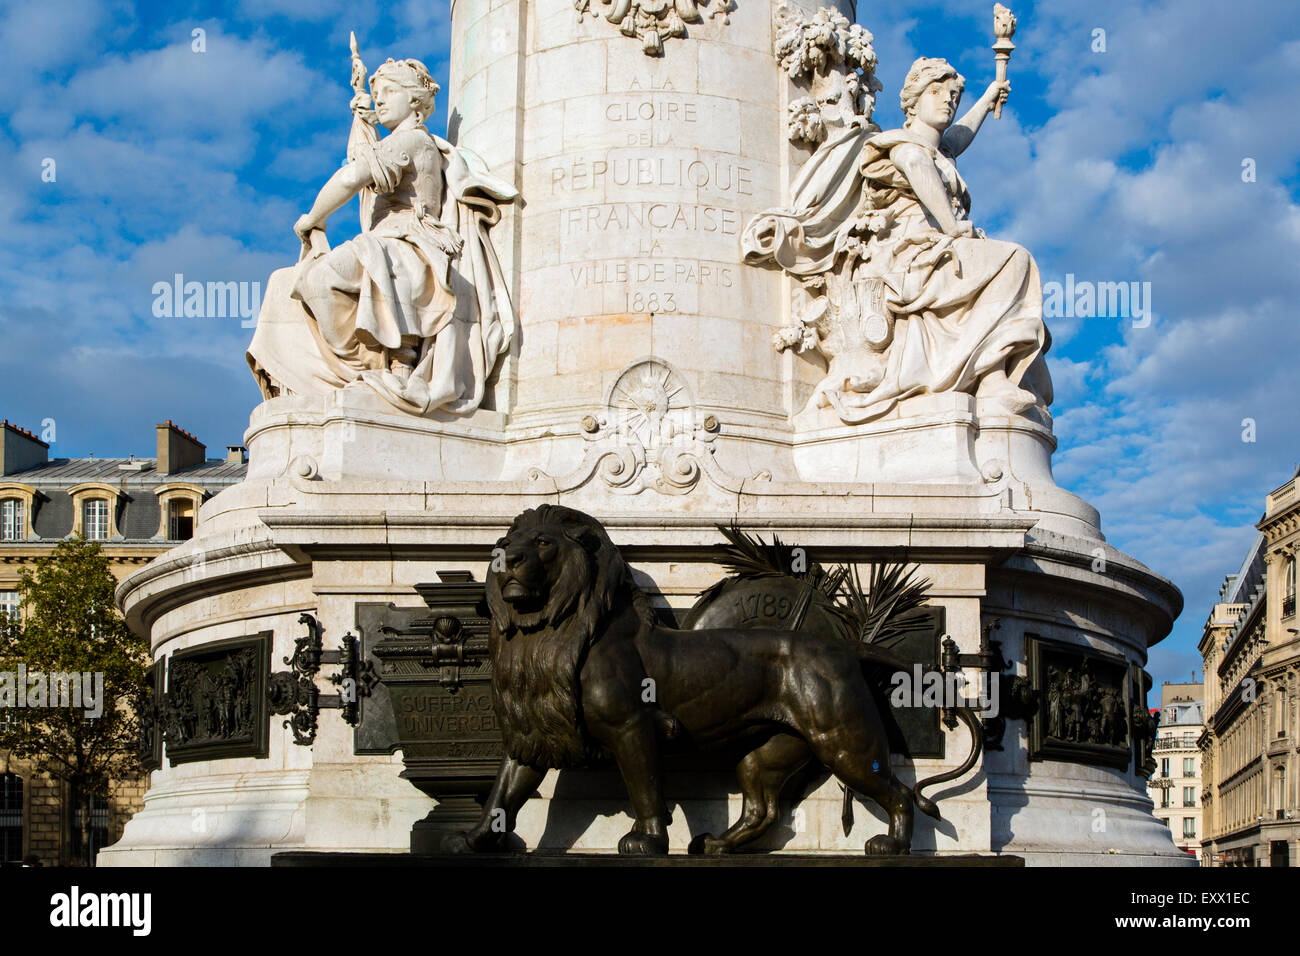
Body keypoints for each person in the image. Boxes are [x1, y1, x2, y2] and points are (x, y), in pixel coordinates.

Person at [744, 57, 1052, 424]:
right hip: (909, 254)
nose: (948, 100)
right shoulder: (903, 146)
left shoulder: (941, 151)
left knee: (1008, 265)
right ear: (912, 101)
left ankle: (991, 377)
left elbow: (956, 137)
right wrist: (952, 226)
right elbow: (917, 167)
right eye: (936, 92)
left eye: (953, 94)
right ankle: (990, 377)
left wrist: (987, 99)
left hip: (936, 250)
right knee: (1014, 260)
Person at [248, 56, 517, 416]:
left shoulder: (413, 142)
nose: (381, 101)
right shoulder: (397, 142)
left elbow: (351, 177)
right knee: (284, 283)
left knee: (320, 278)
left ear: (416, 101)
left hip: (409, 248)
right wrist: (361, 112)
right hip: (386, 245)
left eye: (390, 92)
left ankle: (364, 368)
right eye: (378, 95)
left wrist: (312, 217)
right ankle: (362, 369)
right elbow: (366, 163)